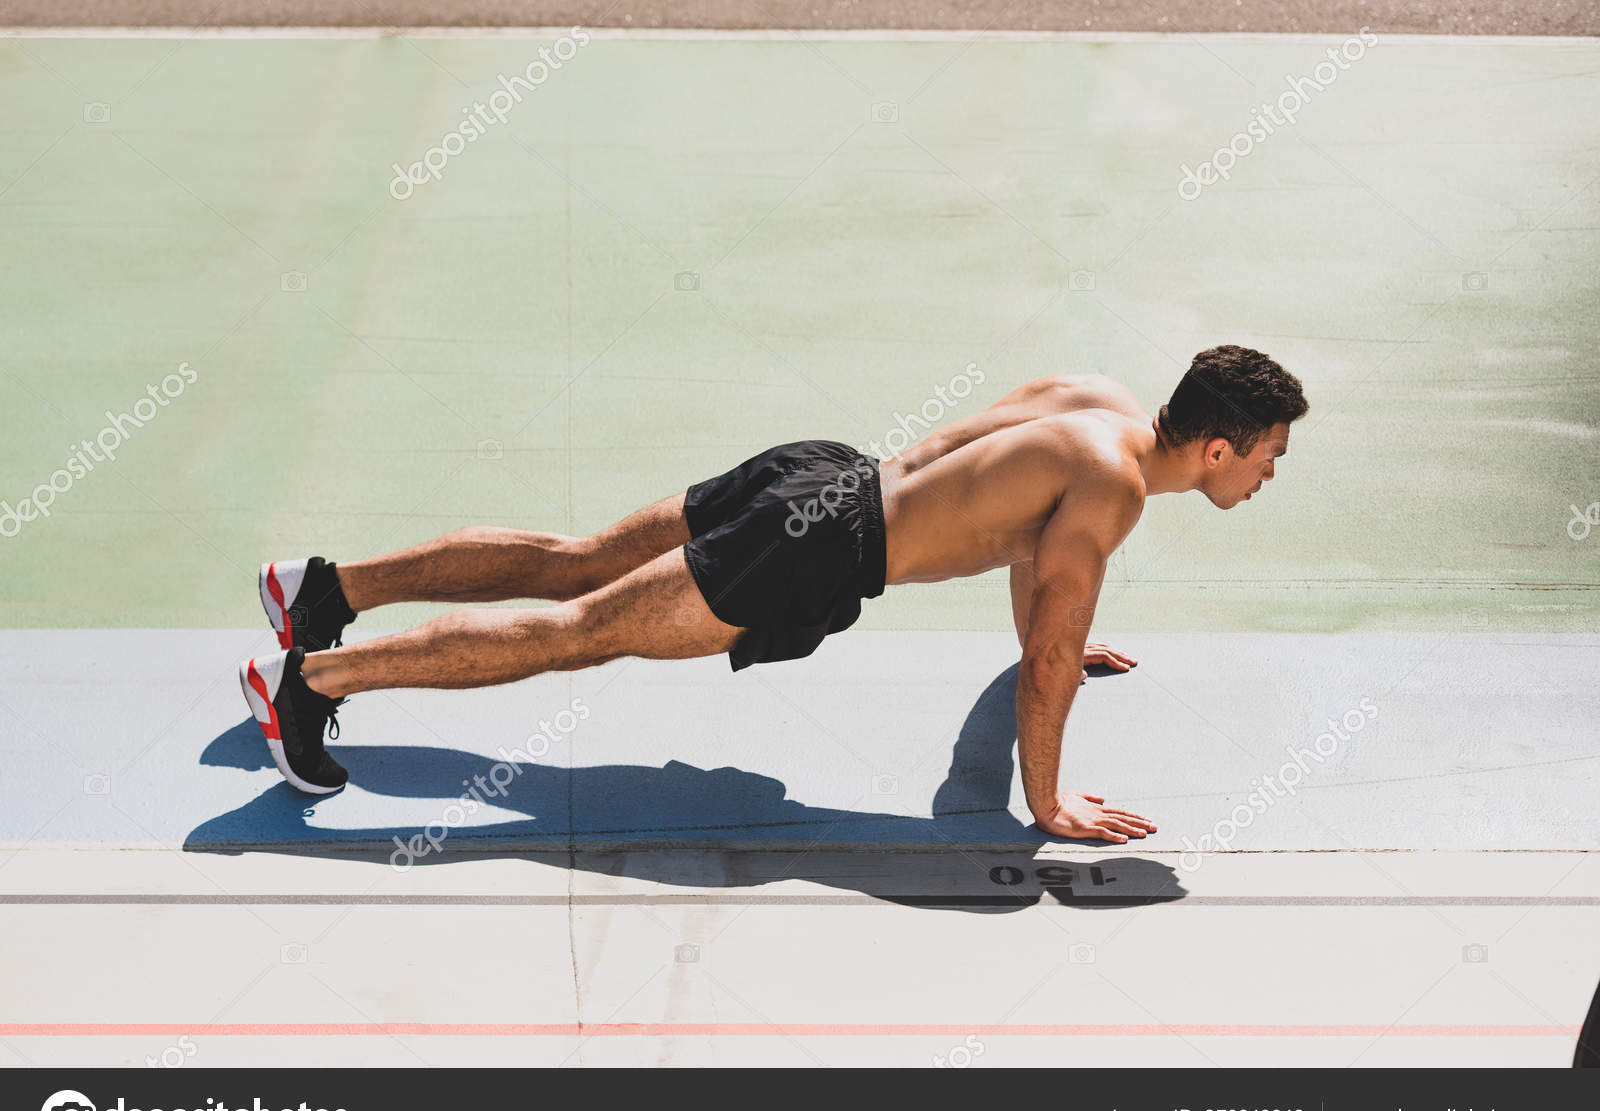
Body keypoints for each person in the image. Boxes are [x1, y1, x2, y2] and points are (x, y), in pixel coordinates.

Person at [240, 344, 1306, 842]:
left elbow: (1030, 551)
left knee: (574, 558)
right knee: (576, 632)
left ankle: (322, 588)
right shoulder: (1111, 496)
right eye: (1264, 457)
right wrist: (1047, 802)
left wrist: (1063, 635)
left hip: (821, 473)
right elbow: (1044, 659)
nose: (1267, 475)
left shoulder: (1095, 405)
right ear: (1215, 446)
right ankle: (311, 679)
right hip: (820, 550)